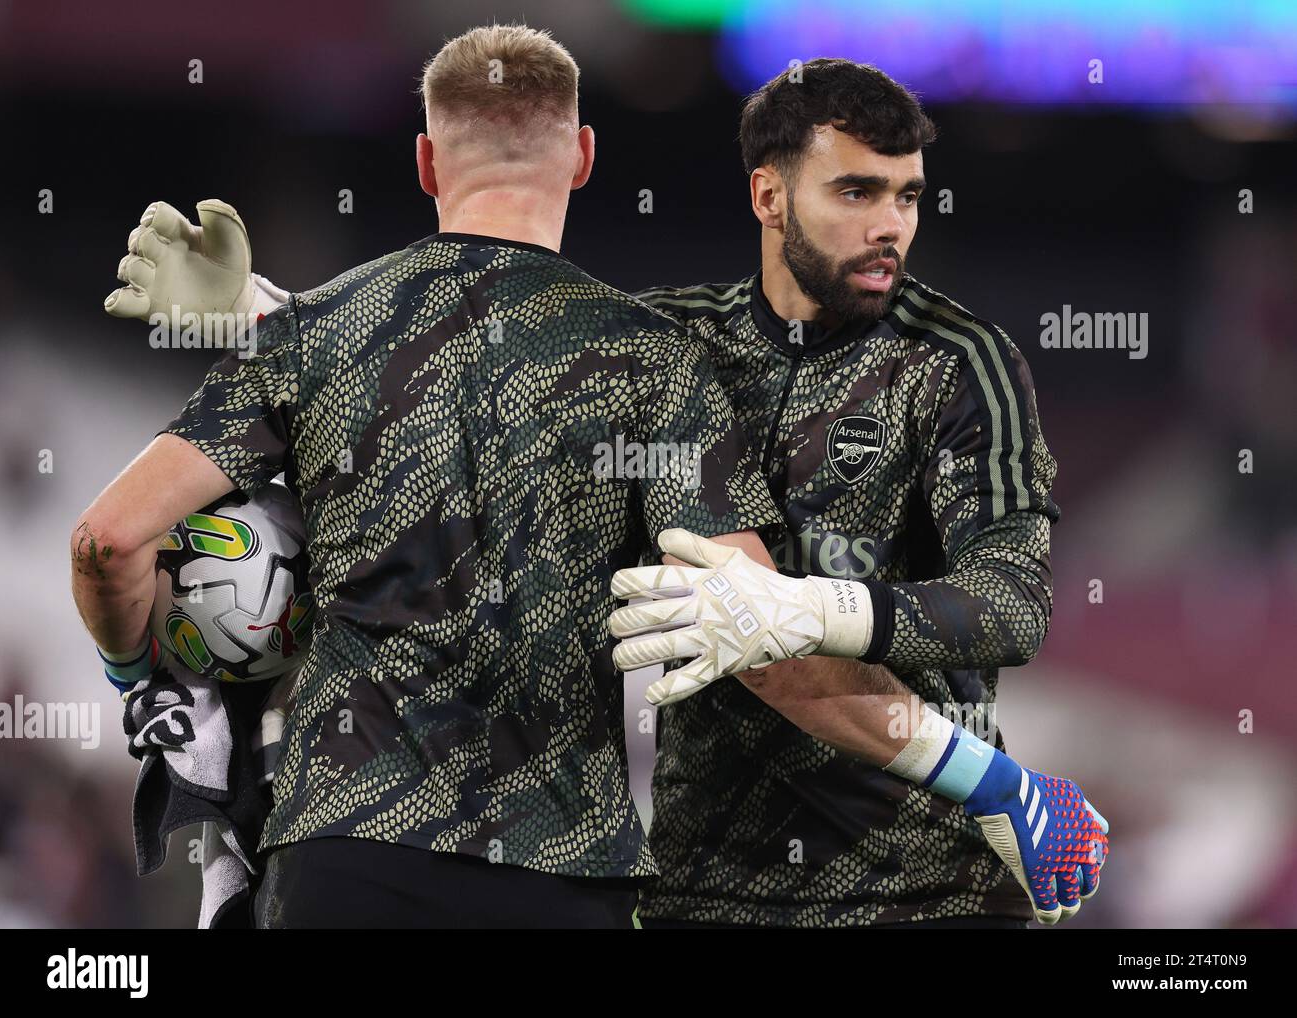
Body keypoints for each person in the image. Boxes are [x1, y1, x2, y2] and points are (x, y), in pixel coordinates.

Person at [95, 49, 1108, 928]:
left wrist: (819, 615)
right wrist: (260, 317)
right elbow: (477, 357)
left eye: (908, 195)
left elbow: (1012, 606)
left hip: (913, 882)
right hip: (674, 888)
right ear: (767, 195)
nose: (891, 222)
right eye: (856, 191)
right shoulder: (658, 344)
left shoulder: (961, 362)